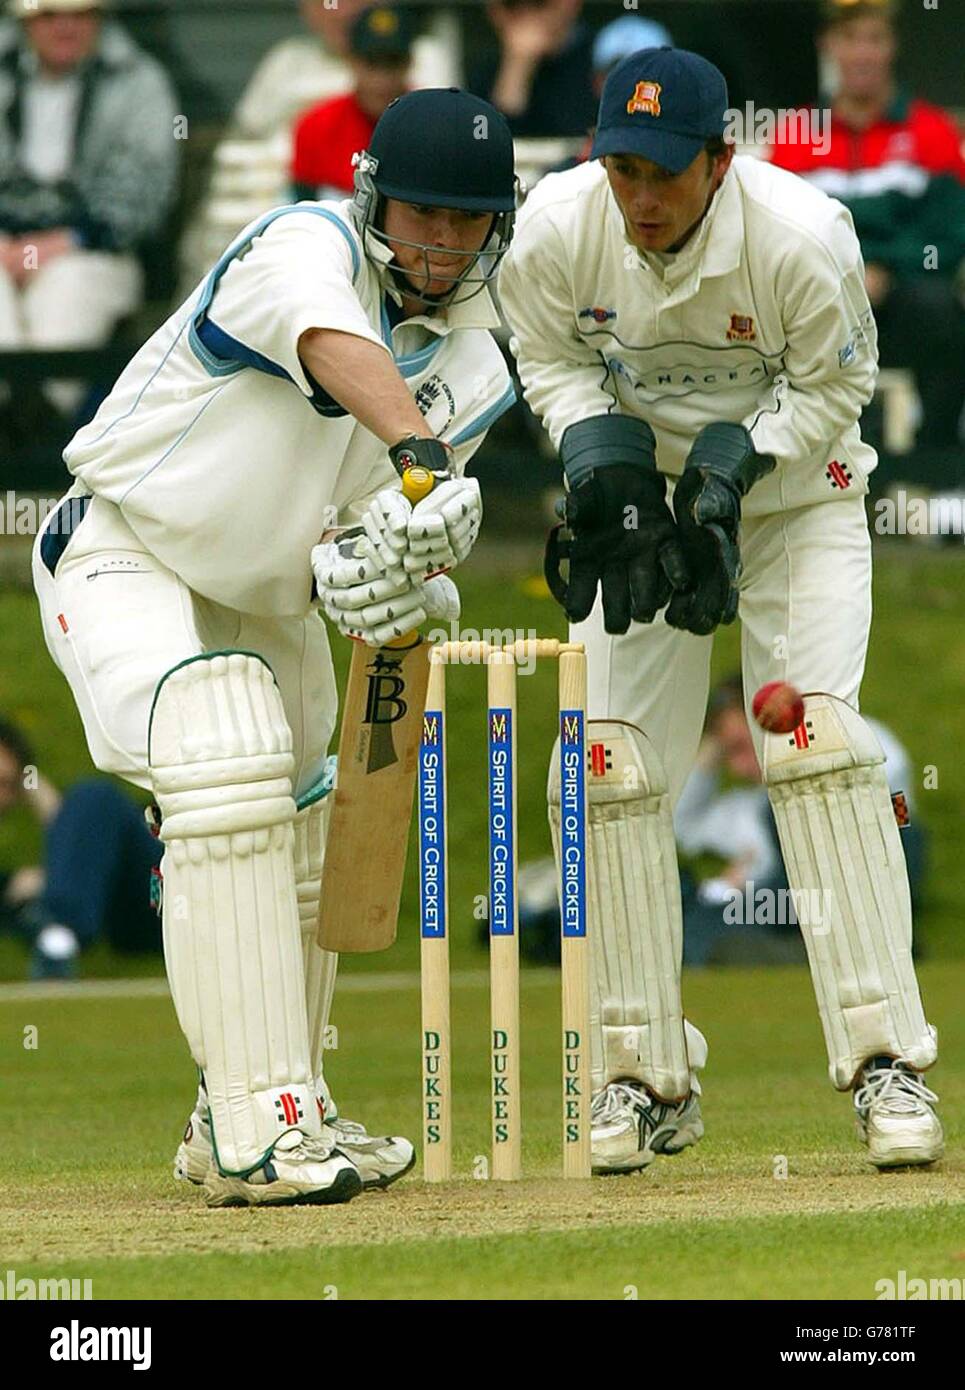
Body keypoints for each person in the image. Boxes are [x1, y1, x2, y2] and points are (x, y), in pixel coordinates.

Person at [33, 88, 519, 1207]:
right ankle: (264, 1126)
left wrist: (398, 569)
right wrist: (418, 454)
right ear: (372, 197)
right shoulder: (299, 244)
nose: (438, 243)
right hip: (127, 552)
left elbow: (362, 529)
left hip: (267, 598)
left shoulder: (478, 369)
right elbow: (336, 353)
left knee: (303, 834)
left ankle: (264, 1101)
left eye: (463, 220)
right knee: (226, 752)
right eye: (419, 211)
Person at [499, 47, 942, 1174]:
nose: (639, 200)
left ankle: (886, 1061)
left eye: (661, 173)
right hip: (647, 511)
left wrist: (737, 468)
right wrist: (595, 459)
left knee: (812, 746)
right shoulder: (556, 225)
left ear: (717, 158)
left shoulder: (799, 236)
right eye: (620, 171)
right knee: (598, 765)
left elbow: (837, 381)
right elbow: (545, 356)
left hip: (794, 504)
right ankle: (639, 1074)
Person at [768, 0, 965, 483]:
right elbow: (774, 232)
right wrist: (848, 274)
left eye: (874, 39)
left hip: (903, 302)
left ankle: (933, 475)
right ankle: (793, 470)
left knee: (941, 310)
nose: (862, 53)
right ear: (828, 46)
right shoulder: (795, 135)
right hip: (816, 301)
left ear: (891, 46)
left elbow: (951, 233)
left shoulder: (930, 131)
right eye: (850, 39)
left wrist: (884, 267)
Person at [675, 677, 927, 966]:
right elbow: (684, 825)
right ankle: (810, 954)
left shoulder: (850, 736)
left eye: (741, 747)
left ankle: (849, 947)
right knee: (700, 911)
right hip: (789, 907)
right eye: (728, 754)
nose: (737, 767)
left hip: (861, 878)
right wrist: (710, 748)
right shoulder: (750, 809)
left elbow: (898, 801)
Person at [0, 0, 179, 352]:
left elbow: (145, 186)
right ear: (25, 22)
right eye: (49, 16)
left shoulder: (139, 81)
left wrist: (66, 241)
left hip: (92, 250)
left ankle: (41, 405)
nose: (65, 28)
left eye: (79, 15)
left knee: (62, 317)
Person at [0, 718, 162, 979]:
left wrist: (30, 781)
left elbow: (75, 845)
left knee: (94, 799)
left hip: (162, 874)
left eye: (5, 784)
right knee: (94, 798)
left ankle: (58, 938)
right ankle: (58, 939)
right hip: (130, 919)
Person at [233, 0, 459, 140]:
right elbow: (244, 140)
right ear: (306, 9)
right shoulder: (286, 60)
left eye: (390, 63)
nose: (342, 12)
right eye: (329, 1)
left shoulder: (426, 55)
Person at [291, 5, 413, 202]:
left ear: (409, 63)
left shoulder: (433, 125)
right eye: (371, 63)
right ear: (351, 61)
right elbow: (303, 209)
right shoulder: (315, 127)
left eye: (392, 62)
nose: (381, 79)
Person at [467, 0, 596, 138]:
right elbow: (488, 143)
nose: (526, 16)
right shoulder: (484, 75)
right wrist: (516, 68)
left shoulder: (603, 60)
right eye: (511, 5)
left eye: (538, 4)